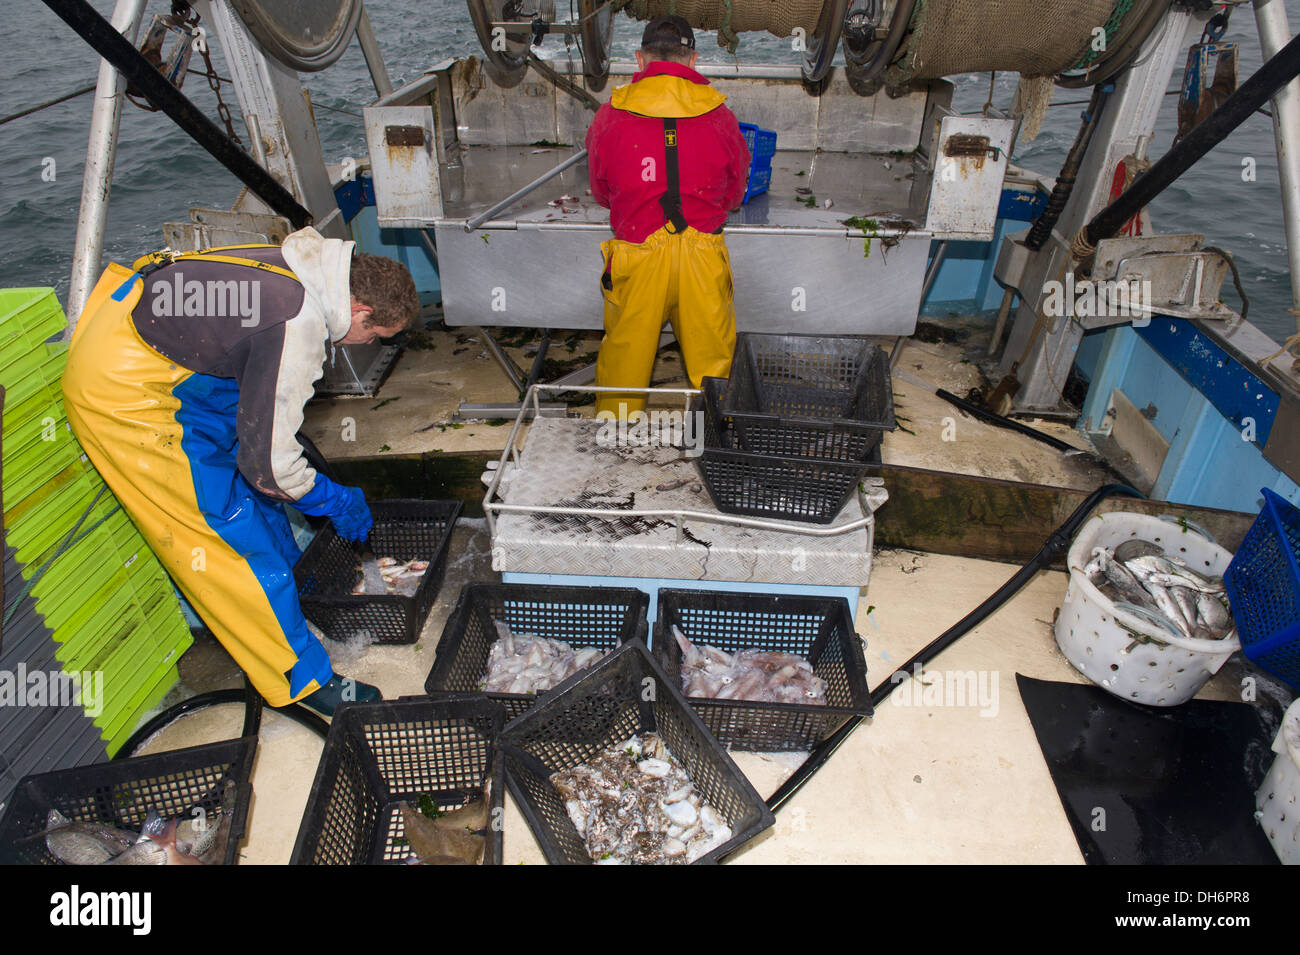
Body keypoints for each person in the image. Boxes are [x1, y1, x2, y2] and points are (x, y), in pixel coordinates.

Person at [62, 226, 418, 717]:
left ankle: (292, 596)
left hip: (162, 348)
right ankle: (300, 680)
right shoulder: (296, 323)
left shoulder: (304, 265)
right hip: (128, 391)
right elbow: (271, 470)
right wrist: (334, 499)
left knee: (261, 498)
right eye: (374, 335)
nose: (364, 344)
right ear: (360, 310)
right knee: (228, 541)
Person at [585, 14, 751, 417]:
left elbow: (601, 190)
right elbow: (735, 191)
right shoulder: (721, 115)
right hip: (702, 257)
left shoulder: (611, 113)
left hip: (638, 255)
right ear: (692, 61)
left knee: (624, 365)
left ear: (640, 60)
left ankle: (614, 442)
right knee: (715, 367)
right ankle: (720, 447)